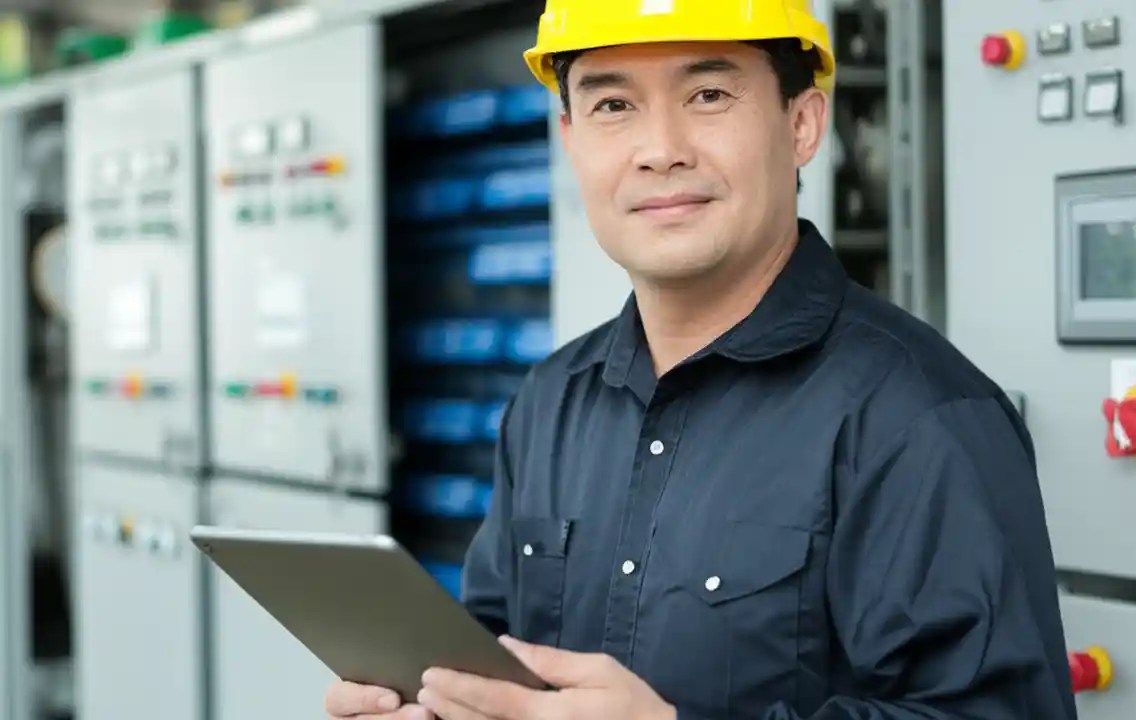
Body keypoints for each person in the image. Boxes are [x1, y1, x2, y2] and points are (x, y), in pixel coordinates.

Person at [326, 1, 1078, 718]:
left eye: (710, 93)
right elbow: (495, 654)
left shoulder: (919, 418)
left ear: (804, 122)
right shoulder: (552, 401)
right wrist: (438, 706)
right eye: (613, 106)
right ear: (569, 138)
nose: (660, 151)